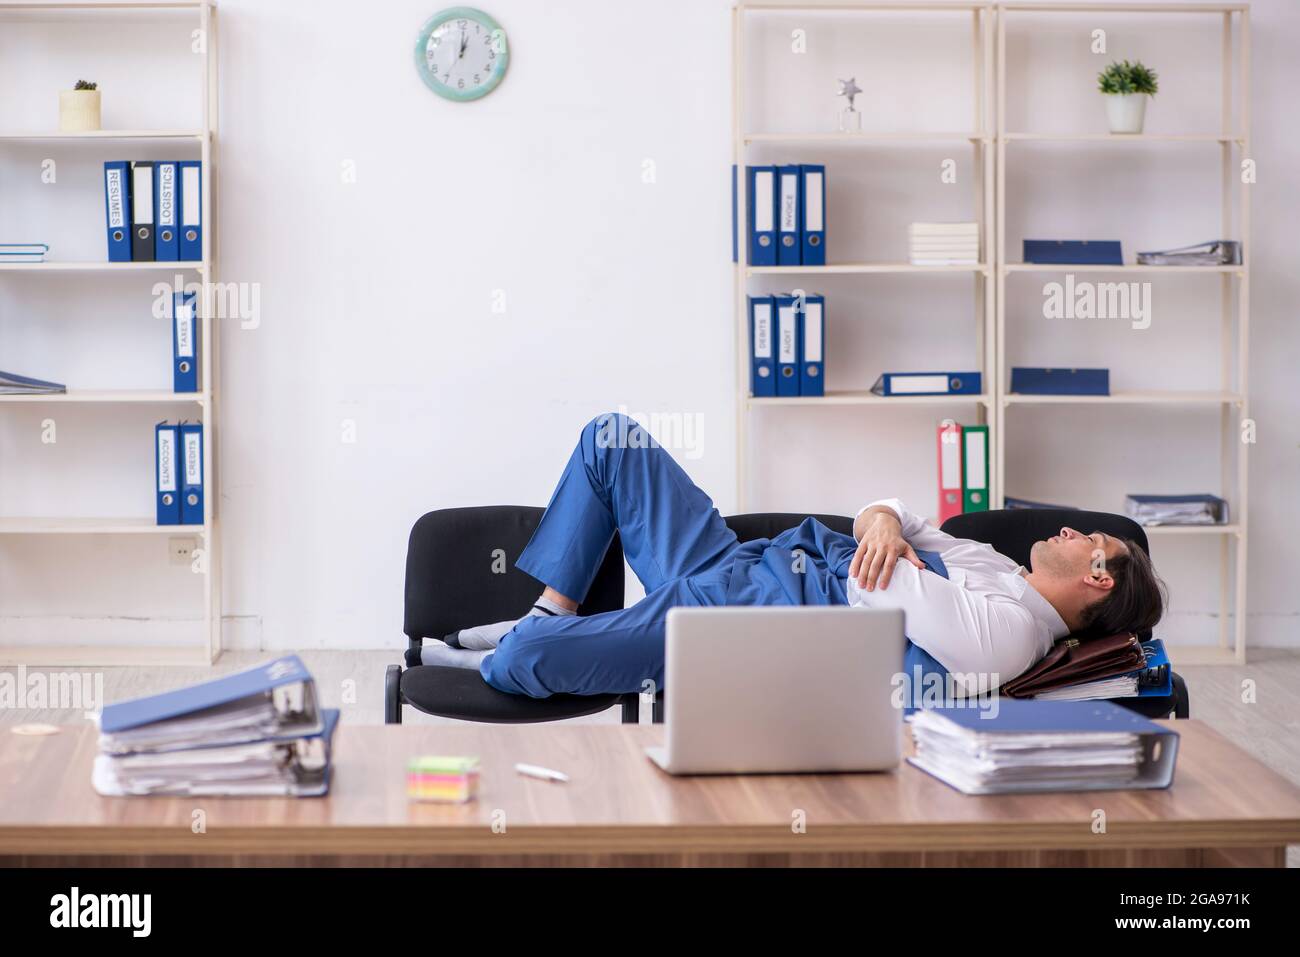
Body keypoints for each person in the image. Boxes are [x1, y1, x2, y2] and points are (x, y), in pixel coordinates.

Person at [413, 412, 1166, 699]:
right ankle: (550, 606)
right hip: (749, 558)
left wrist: (888, 538)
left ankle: (526, 636)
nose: (1067, 532)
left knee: (527, 660)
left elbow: (878, 591)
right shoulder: (995, 568)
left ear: (1098, 578)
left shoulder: (1011, 630)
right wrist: (884, 526)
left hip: (754, 614)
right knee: (610, 438)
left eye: (1085, 541)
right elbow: (891, 516)